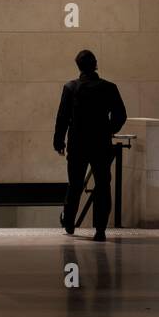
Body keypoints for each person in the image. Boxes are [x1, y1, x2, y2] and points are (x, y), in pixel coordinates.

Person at [53, 49, 127, 242]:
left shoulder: (71, 88)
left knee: (75, 184)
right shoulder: (109, 87)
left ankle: (69, 222)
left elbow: (62, 117)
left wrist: (58, 141)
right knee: (103, 185)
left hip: (77, 143)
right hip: (100, 143)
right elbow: (120, 115)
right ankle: (100, 229)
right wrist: (109, 129)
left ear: (78, 66)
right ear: (95, 64)